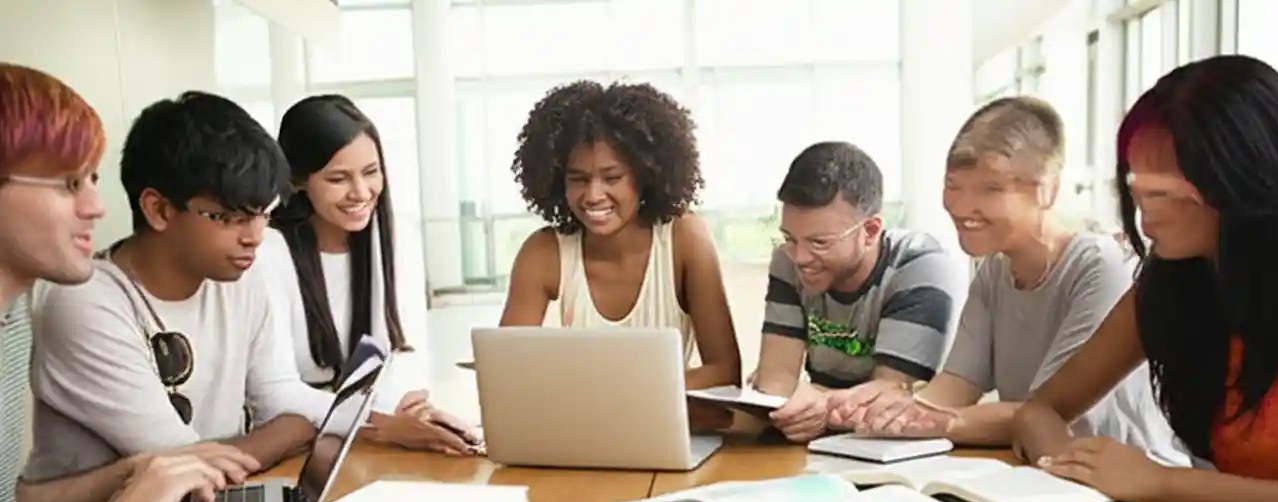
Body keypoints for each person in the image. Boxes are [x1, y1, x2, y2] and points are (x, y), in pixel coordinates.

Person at [1013, 55, 1278, 502]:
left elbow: (1153, 481)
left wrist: (1157, 482)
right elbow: (1040, 411)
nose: (1144, 217)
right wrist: (1070, 470)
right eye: (1136, 193)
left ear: (1242, 183)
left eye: (1163, 195)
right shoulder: (1174, 285)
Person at [0, 64, 251, 502]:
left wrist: (128, 476)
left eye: (92, 179)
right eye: (70, 184)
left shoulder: (13, 320)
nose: (96, 206)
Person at [826, 97, 1184, 465]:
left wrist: (928, 419)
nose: (963, 206)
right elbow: (955, 386)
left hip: (1125, 489)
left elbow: (1046, 414)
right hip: (1041, 473)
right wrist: (881, 407)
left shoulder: (1100, 266)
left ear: (1047, 189)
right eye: (954, 185)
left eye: (991, 189)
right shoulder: (994, 269)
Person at [24, 91, 335, 483]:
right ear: (159, 210)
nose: (254, 236)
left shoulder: (237, 275)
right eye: (228, 217)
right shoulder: (84, 301)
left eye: (263, 214)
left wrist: (309, 421)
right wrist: (294, 429)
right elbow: (183, 467)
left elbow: (276, 395)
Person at [258, 94, 478, 456]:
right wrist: (381, 424)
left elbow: (407, 352)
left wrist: (405, 416)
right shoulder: (268, 252)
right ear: (297, 180)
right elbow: (274, 394)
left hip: (378, 440)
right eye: (338, 178)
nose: (361, 192)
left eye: (371, 172)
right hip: (299, 447)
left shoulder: (396, 237)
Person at [499, 80, 741, 391]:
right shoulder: (543, 252)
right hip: (583, 429)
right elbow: (504, 372)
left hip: (667, 429)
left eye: (612, 178)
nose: (593, 195)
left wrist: (616, 390)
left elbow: (725, 373)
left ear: (645, 175)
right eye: (578, 179)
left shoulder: (684, 238)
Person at [753, 141, 968, 443]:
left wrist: (810, 400)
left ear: (869, 232)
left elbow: (885, 405)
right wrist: (795, 399)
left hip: (909, 449)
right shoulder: (788, 260)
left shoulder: (920, 266)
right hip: (825, 448)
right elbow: (774, 384)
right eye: (790, 237)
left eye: (820, 243)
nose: (800, 257)